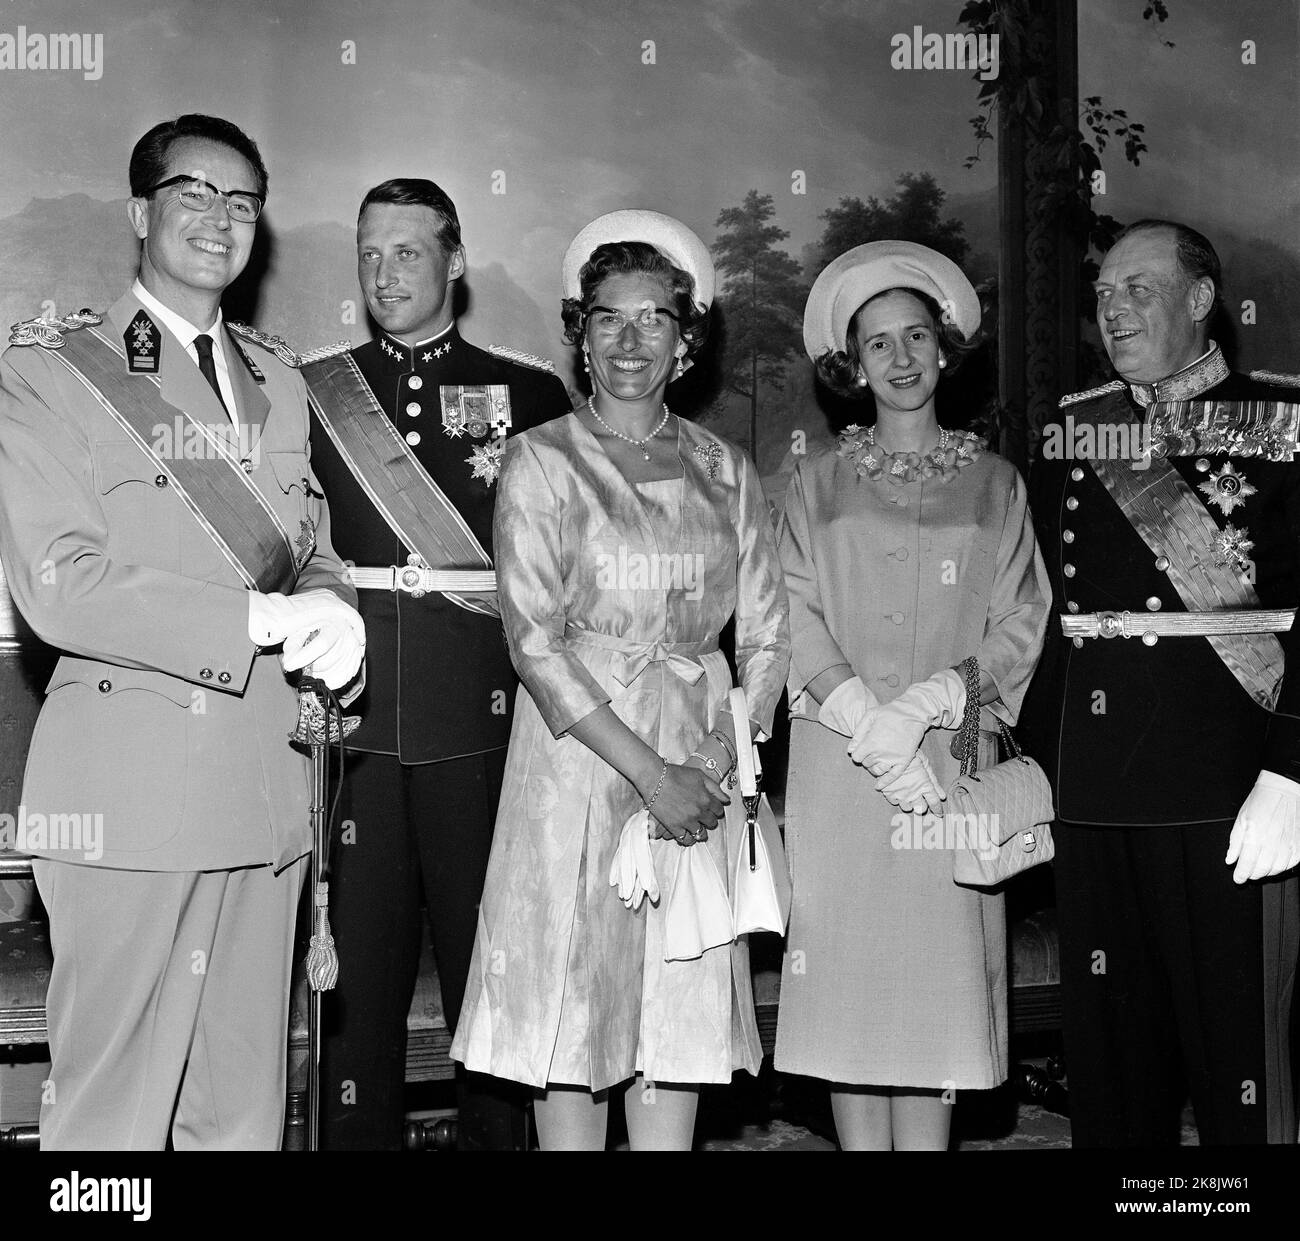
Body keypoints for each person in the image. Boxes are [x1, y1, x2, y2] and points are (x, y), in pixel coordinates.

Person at [0, 113, 364, 1150]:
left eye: (242, 201)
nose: (220, 217)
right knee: (111, 1118)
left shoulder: (279, 380)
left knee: (242, 1113)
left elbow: (311, 550)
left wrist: (333, 608)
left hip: (265, 790)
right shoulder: (53, 370)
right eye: (194, 193)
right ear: (139, 213)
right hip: (132, 796)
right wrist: (259, 616)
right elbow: (62, 585)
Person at [451, 210, 790, 1150]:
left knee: (674, 1005)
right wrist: (652, 774)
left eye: (654, 320)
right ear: (580, 335)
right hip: (580, 764)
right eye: (608, 318)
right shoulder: (542, 460)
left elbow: (765, 636)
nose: (630, 339)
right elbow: (534, 642)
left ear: (686, 343)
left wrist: (719, 763)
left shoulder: (727, 469)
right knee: (577, 996)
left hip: (701, 765)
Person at [305, 178, 571, 1150]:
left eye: (407, 252)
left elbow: (558, 567)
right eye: (368, 254)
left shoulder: (532, 391)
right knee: (356, 993)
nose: (384, 274)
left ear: (454, 259)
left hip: (485, 724)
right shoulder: (314, 390)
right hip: (355, 721)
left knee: (489, 985)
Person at [1022, 219, 1300, 1146]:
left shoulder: (1283, 423)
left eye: (1138, 289)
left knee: (1244, 1071)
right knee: (1114, 1073)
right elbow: (1047, 617)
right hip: (1097, 792)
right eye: (1103, 295)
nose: (1113, 309)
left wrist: (1294, 766)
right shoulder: (1077, 427)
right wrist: (1032, 763)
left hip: (1231, 789)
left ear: (1199, 300)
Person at [773, 241, 1050, 1150]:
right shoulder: (813, 485)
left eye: (916, 336)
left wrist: (933, 699)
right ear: (851, 365)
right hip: (840, 762)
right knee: (850, 979)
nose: (899, 358)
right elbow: (790, 607)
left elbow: (1021, 618)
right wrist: (859, 708)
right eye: (877, 343)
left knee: (934, 984)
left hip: (949, 760)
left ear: (944, 348)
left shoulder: (997, 484)